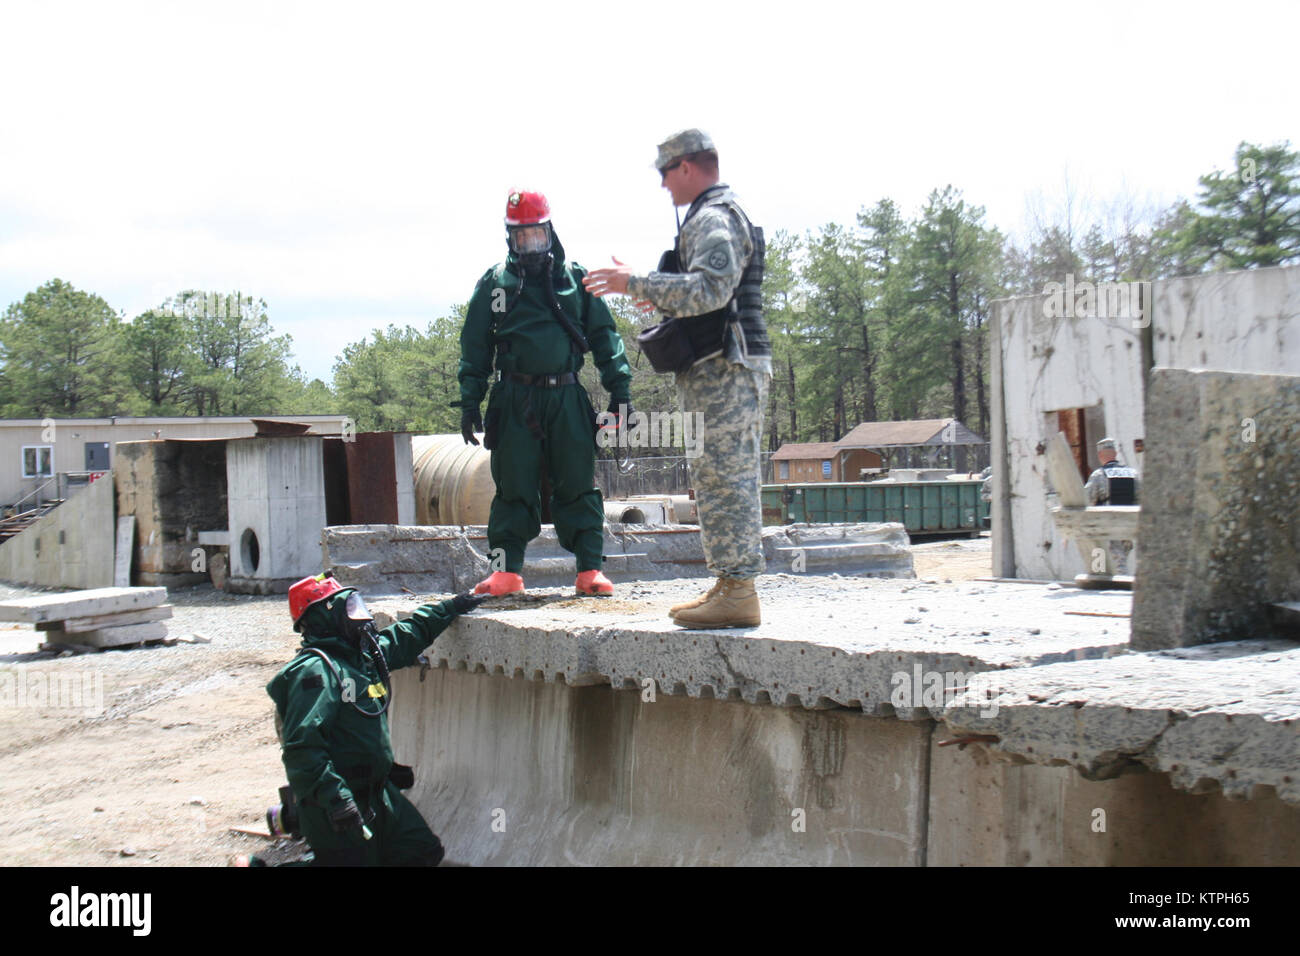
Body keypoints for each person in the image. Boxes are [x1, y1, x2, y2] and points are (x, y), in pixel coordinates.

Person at [584, 129, 770, 628]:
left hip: (726, 369)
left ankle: (738, 589)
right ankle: (731, 583)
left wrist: (636, 282)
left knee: (726, 478)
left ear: (687, 166)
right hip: (720, 368)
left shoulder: (712, 217)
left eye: (666, 173)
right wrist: (652, 290)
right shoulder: (714, 215)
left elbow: (712, 288)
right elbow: (703, 294)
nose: (664, 185)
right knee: (717, 476)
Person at [455, 189, 633, 597]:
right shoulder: (496, 285)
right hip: (514, 398)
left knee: (577, 483)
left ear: (549, 232)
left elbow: (605, 336)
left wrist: (619, 389)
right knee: (512, 487)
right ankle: (505, 572)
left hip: (567, 397)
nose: (530, 246)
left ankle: (590, 570)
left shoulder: (573, 280)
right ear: (509, 239)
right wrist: (470, 400)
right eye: (522, 238)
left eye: (537, 236)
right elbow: (476, 344)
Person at [263, 571, 486, 866]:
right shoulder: (316, 672)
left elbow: (409, 633)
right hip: (337, 798)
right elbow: (302, 749)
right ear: (325, 617)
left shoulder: (362, 656)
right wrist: (336, 799)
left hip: (376, 792)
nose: (362, 618)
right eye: (351, 609)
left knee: (419, 850)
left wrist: (456, 604)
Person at [1084, 437, 1140, 574]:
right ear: (1115, 453)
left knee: (1108, 564)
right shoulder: (1132, 473)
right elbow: (1140, 497)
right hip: (1127, 525)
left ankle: (1115, 588)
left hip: (1106, 526)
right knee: (1121, 558)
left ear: (1100, 455)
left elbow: (1086, 499)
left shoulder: (1098, 475)